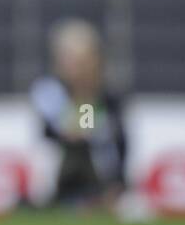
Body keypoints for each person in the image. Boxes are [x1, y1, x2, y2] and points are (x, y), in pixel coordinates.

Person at [30, 19, 127, 208]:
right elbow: (56, 135)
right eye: (68, 58)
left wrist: (118, 184)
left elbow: (112, 141)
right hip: (62, 183)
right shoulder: (50, 92)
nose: (74, 66)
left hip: (100, 183)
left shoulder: (106, 97)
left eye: (80, 59)